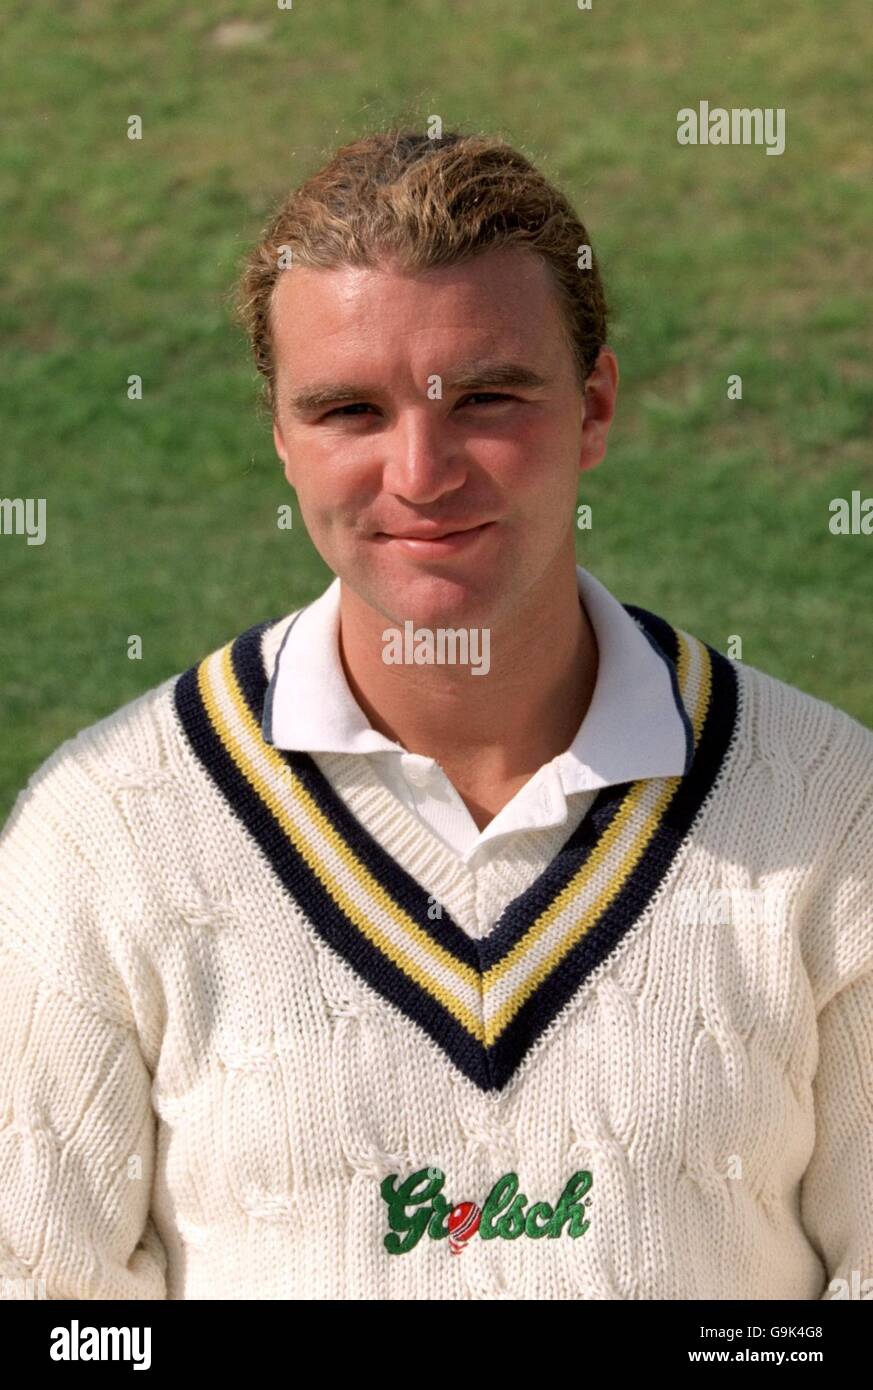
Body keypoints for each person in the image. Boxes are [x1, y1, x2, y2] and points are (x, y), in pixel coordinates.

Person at [1, 129, 871, 1302]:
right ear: (280, 438)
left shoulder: (832, 803)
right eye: (349, 411)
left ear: (595, 405)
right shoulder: (99, 831)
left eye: (487, 397)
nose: (420, 471)